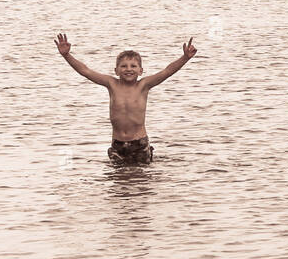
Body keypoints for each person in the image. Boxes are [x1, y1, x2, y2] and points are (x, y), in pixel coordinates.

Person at [53, 33, 198, 164]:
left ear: (140, 71)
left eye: (133, 66)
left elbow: (167, 71)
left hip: (139, 143)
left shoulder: (144, 86)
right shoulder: (111, 84)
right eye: (123, 66)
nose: (128, 69)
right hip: (118, 144)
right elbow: (85, 71)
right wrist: (67, 55)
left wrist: (184, 58)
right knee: (118, 184)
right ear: (116, 71)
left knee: (141, 181)